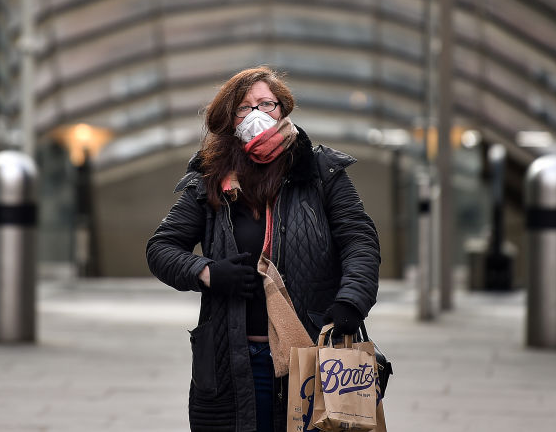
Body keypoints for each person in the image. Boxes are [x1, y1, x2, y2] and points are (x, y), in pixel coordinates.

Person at [146, 66, 381, 432]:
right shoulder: (209, 179)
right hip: (232, 359)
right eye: (244, 107)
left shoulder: (321, 171)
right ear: (229, 118)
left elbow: (359, 240)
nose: (256, 114)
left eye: (266, 104)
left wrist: (352, 301)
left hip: (312, 353)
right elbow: (161, 247)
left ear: (283, 110)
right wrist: (207, 272)